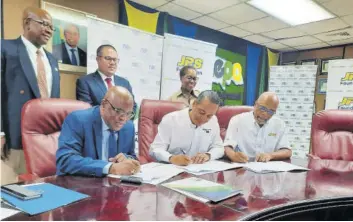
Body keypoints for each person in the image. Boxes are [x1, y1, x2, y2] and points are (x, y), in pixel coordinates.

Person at [1, 7, 60, 177]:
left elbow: (54, 102)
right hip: (14, 140)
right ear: (27, 23)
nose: (49, 30)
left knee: (42, 193)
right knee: (10, 193)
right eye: (44, 24)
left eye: (52, 27)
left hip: (45, 142)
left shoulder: (52, 60)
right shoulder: (5, 49)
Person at [56, 86, 140, 176]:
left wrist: (126, 159)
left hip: (112, 186)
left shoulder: (128, 127)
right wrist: (110, 168)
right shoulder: (77, 120)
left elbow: (132, 157)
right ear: (104, 105)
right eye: (118, 111)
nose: (123, 118)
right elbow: (65, 160)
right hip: (78, 184)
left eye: (128, 113)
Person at [150, 90, 224, 166]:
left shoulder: (213, 121)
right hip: (173, 170)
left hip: (199, 171)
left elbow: (219, 147)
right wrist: (171, 158)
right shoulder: (171, 119)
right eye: (201, 112)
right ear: (194, 104)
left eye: (209, 116)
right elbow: (155, 149)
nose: (204, 119)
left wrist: (208, 155)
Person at [224, 92, 292, 163]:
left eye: (271, 111)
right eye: (262, 108)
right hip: (241, 167)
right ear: (255, 104)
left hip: (266, 169)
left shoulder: (279, 124)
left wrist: (270, 155)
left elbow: (287, 151)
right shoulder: (237, 120)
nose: (265, 114)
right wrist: (233, 156)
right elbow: (227, 146)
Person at [76, 44, 137, 114]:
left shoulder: (124, 83)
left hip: (122, 123)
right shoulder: (85, 82)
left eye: (115, 59)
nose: (112, 63)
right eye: (108, 58)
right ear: (98, 59)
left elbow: (133, 107)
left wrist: (122, 120)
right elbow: (87, 110)